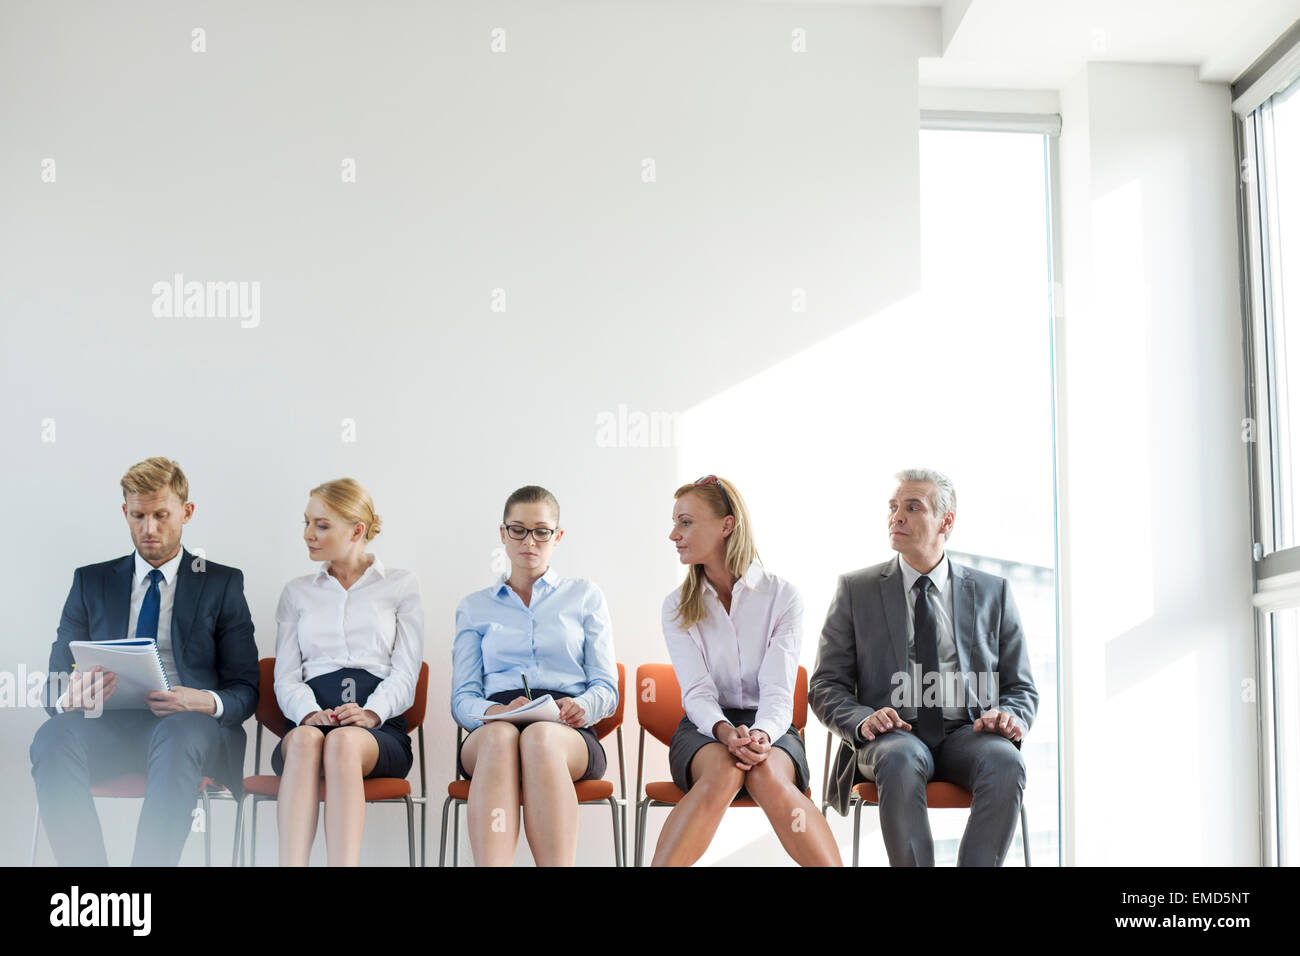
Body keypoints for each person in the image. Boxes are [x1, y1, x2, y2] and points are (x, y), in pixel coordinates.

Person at [30, 457, 259, 866]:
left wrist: (201, 701)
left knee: (180, 734)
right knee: (51, 738)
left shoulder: (222, 583)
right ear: (125, 513)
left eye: (161, 515)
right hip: (109, 729)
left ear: (186, 513)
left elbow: (246, 690)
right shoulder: (91, 581)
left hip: (187, 732)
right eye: (138, 515)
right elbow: (52, 683)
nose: (149, 528)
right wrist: (71, 697)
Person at [810, 467, 1038, 866]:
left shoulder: (992, 592)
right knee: (899, 758)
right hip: (891, 736)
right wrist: (863, 719)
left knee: (1006, 761)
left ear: (946, 521)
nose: (896, 516)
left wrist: (1009, 715)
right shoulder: (856, 590)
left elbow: (1021, 687)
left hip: (968, 732)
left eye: (912, 508)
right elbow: (826, 684)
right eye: (894, 507)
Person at [651, 475, 841, 867]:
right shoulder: (676, 606)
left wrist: (760, 733)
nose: (674, 534)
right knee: (722, 772)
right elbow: (698, 692)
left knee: (766, 774)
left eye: (685, 522)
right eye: (675, 523)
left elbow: (777, 691)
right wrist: (724, 731)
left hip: (771, 724)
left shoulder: (782, 597)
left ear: (726, 525)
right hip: (704, 728)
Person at [451, 485, 618, 867]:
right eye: (518, 529)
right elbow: (462, 698)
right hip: (495, 721)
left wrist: (580, 706)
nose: (530, 540)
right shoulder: (474, 607)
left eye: (541, 531)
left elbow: (606, 687)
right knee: (500, 737)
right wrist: (496, 711)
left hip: (566, 728)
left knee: (541, 737)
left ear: (557, 537)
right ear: (503, 534)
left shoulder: (585, 596)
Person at [272, 478, 424, 866]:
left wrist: (371, 713)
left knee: (343, 743)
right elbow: (286, 675)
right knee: (307, 741)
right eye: (306, 523)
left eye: (322, 525)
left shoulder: (401, 585)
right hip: (310, 718)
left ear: (357, 530)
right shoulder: (296, 592)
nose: (308, 535)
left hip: (377, 728)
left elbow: (406, 673)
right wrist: (308, 713)